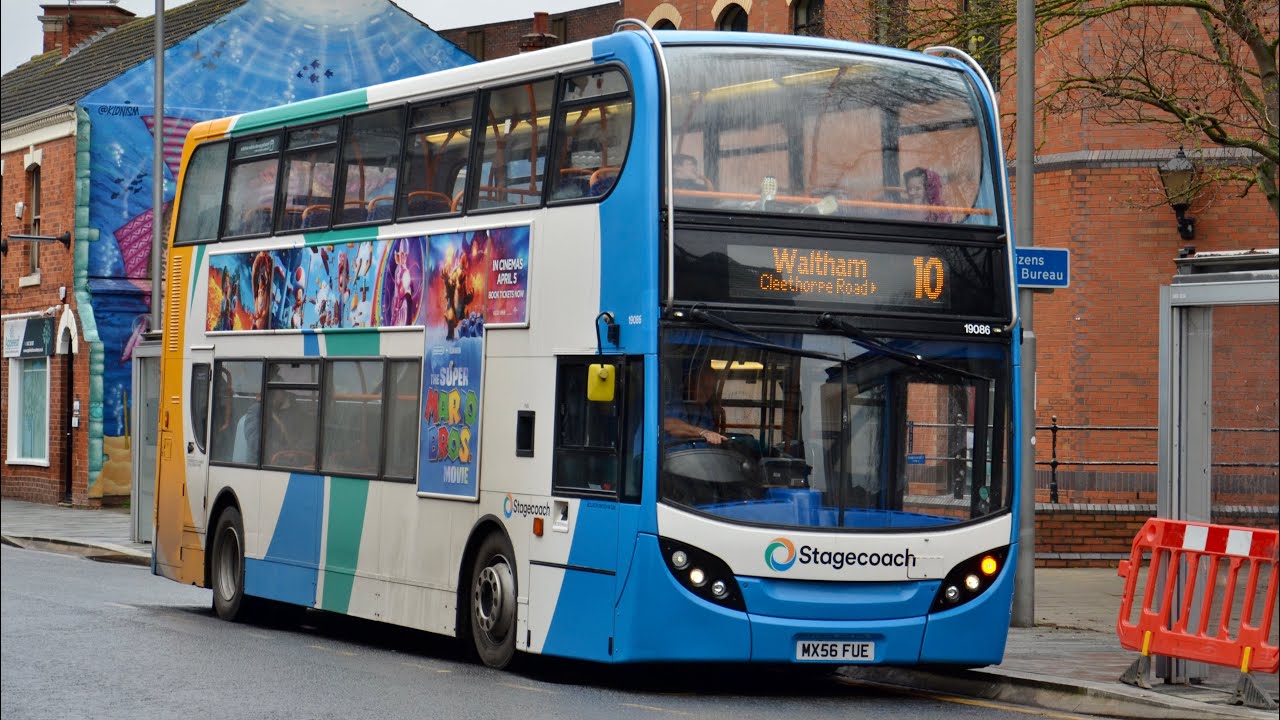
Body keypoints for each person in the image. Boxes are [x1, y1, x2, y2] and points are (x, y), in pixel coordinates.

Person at [664, 364, 728, 445]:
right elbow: (667, 424)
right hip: (673, 456)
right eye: (704, 387)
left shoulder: (706, 412)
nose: (707, 392)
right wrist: (703, 432)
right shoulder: (673, 401)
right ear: (691, 383)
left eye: (711, 388)